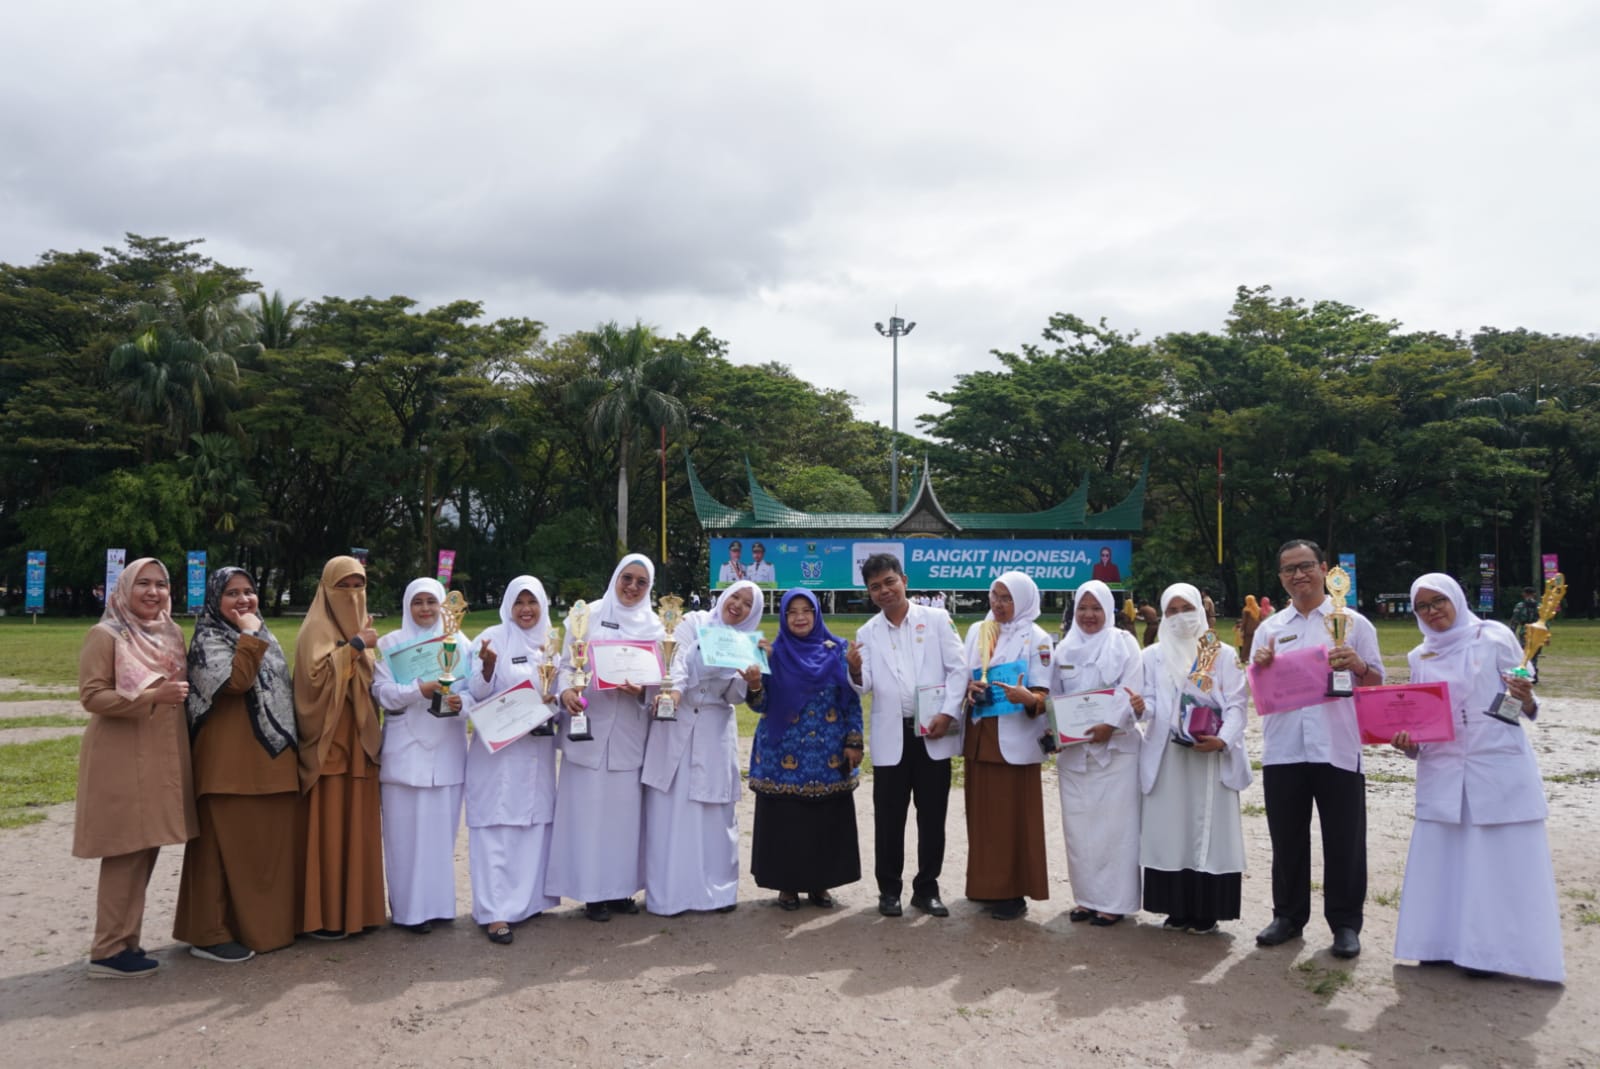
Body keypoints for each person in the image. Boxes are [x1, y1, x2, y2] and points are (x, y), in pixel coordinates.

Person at [1389, 574, 1564, 982]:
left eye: (1439, 602)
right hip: (1442, 770)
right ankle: (1436, 943)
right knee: (1444, 862)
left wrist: (1527, 698)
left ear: (1456, 599)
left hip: (1495, 766)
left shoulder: (1495, 637)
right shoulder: (1420, 657)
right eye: (1423, 607)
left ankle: (1489, 952)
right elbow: (1419, 722)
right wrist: (1406, 742)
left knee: (1494, 864)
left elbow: (1525, 706)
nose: (1433, 612)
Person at [1251, 540, 1383, 959]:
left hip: (1337, 747)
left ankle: (1345, 924)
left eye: (1306, 566)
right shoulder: (1270, 627)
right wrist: (1260, 666)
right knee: (1286, 839)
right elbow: (1255, 688)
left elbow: (1377, 681)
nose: (1298, 575)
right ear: (1281, 578)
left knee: (1344, 840)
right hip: (1284, 749)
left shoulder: (1354, 622)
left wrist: (1359, 666)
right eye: (1289, 569)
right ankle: (1288, 917)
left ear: (1325, 569)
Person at [74, 558, 197, 978]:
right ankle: (107, 949)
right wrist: (149, 698)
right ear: (124, 590)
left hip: (162, 751)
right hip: (121, 754)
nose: (153, 592)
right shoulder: (105, 635)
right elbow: (92, 697)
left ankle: (127, 941)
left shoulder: (171, 632)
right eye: (142, 584)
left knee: (148, 846)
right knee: (125, 849)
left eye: (160, 584)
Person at [173, 566, 300, 962]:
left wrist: (253, 633)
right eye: (232, 593)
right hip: (226, 762)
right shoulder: (208, 639)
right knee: (220, 850)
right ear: (215, 599)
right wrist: (249, 633)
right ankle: (211, 933)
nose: (243, 600)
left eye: (248, 591)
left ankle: (269, 929)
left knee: (268, 850)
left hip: (271, 757)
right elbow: (236, 682)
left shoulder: (262, 634)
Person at [846, 554, 966, 919]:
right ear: (869, 592)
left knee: (932, 816)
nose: (883, 591)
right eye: (875, 587)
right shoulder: (867, 632)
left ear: (904, 580)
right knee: (889, 817)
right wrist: (853, 670)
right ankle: (889, 890)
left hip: (932, 730)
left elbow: (959, 668)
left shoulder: (936, 619)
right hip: (890, 735)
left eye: (889, 582)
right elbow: (864, 686)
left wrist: (948, 712)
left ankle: (926, 889)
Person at [552, 554, 662, 921]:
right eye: (626, 578)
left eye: (641, 582)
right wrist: (566, 691)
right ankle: (592, 894)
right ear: (615, 577)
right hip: (589, 727)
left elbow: (662, 685)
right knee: (587, 816)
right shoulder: (588, 616)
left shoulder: (655, 626)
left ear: (649, 587)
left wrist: (643, 693)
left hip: (629, 733)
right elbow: (565, 666)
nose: (632, 587)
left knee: (623, 820)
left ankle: (619, 891)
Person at [643, 580, 762, 915]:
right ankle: (670, 895)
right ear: (724, 596)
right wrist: (675, 692)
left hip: (713, 727)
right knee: (672, 812)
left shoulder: (746, 643)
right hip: (677, 718)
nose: (737, 605)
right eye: (735, 596)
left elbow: (733, 696)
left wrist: (750, 681)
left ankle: (717, 892)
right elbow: (675, 660)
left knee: (714, 815)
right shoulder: (694, 622)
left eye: (747, 603)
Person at [1137, 583, 1249, 934]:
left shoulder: (1219, 653)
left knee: (1207, 828)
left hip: (1208, 756)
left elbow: (1236, 704)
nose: (1179, 616)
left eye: (1186, 608)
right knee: (1171, 829)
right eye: (1171, 610)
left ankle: (1207, 909)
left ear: (1200, 611)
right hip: (1168, 757)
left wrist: (1222, 740)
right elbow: (1151, 702)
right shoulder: (1152, 656)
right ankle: (1175, 907)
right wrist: (1142, 707)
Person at [747, 588, 864, 910]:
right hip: (780, 755)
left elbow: (851, 700)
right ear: (783, 617)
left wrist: (854, 740)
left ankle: (820, 885)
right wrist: (756, 683)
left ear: (817, 614)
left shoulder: (839, 650)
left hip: (828, 753)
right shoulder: (770, 653)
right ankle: (786, 886)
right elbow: (761, 706)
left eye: (806, 610)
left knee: (825, 820)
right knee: (786, 821)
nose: (800, 617)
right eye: (792, 612)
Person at [466, 576, 561, 944]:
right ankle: (494, 912)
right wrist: (488, 668)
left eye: (532, 602)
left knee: (532, 825)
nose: (526, 609)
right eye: (519, 602)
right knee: (496, 827)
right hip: (499, 754)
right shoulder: (491, 638)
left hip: (535, 750)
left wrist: (566, 702)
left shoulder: (551, 642)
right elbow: (474, 691)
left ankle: (528, 902)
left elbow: (564, 687)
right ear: (508, 603)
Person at [295, 555, 386, 940]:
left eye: (358, 587)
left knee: (358, 827)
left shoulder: (364, 631)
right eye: (343, 587)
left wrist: (362, 649)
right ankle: (327, 917)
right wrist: (354, 647)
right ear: (326, 589)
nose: (351, 595)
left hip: (360, 744)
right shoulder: (314, 629)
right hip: (330, 745)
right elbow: (313, 684)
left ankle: (360, 912)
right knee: (330, 829)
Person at [373, 577, 468, 935]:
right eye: (419, 602)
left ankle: (440, 907)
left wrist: (460, 703)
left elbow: (475, 693)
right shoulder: (390, 644)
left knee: (439, 837)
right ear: (408, 606)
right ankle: (410, 912)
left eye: (432, 602)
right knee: (404, 837)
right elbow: (382, 693)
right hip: (405, 752)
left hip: (446, 750)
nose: (426, 609)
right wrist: (420, 689)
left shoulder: (460, 643)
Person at [1051, 580, 1145, 927]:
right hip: (1075, 755)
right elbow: (1055, 694)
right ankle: (1086, 899)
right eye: (1082, 608)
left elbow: (1130, 687)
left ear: (1109, 611)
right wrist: (1057, 728)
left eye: (1096, 608)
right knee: (1080, 830)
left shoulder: (1123, 644)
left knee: (1115, 830)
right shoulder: (1064, 648)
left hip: (1117, 750)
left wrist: (1110, 724)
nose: (1089, 615)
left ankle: (1115, 902)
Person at [962, 571, 1052, 921]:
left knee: (1013, 818)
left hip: (1015, 738)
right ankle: (984, 885)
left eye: (1007, 598)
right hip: (981, 734)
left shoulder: (1038, 638)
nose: (998, 604)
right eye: (995, 596)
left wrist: (1028, 697)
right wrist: (970, 690)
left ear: (1024, 600)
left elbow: (1045, 693)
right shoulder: (978, 631)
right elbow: (966, 676)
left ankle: (1012, 891)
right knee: (982, 816)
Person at [1510, 586, 1542, 683]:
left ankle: (1525, 673)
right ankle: (1534, 673)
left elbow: (1515, 620)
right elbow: (1544, 620)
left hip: (1525, 630)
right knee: (1535, 653)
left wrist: (1512, 633)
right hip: (1538, 631)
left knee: (1524, 653)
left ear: (1524, 594)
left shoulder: (1520, 605)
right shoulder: (1539, 606)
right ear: (1534, 594)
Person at [1236, 595, 1261, 662]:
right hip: (1257, 629)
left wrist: (1241, 630)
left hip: (1248, 630)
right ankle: (1253, 657)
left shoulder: (1246, 610)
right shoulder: (1258, 609)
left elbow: (1244, 621)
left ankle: (1244, 658)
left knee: (1246, 644)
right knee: (1254, 644)